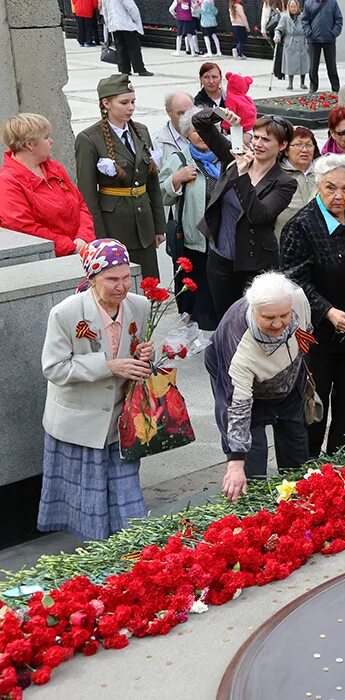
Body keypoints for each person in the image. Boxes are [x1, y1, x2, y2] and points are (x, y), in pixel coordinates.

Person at [38, 239, 152, 540]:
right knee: (88, 509)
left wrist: (145, 355)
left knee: (128, 507)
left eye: (126, 277)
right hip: (80, 423)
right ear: (92, 279)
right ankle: (101, 559)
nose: (122, 286)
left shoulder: (140, 306)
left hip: (121, 421)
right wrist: (108, 366)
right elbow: (54, 368)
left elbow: (135, 353)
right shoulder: (65, 313)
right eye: (112, 279)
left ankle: (135, 554)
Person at [279, 155, 345, 456]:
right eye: (331, 188)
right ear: (318, 186)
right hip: (316, 332)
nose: (339, 196)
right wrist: (328, 311)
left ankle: (344, 459)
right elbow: (294, 281)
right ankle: (307, 463)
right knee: (314, 402)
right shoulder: (301, 226)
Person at [206, 272, 313, 501]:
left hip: (288, 383)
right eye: (269, 317)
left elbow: (306, 335)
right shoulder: (238, 344)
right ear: (253, 310)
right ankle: (254, 505)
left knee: (296, 451)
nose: (278, 323)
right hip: (248, 394)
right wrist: (236, 462)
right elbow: (236, 406)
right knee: (252, 461)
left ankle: (297, 503)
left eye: (284, 315)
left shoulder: (298, 299)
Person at [193, 108, 296, 319]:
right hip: (220, 258)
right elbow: (199, 123)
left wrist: (242, 175)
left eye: (266, 139)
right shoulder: (234, 156)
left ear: (282, 145)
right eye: (256, 137)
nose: (258, 144)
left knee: (254, 321)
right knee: (225, 320)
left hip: (255, 263)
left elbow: (258, 216)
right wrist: (220, 114)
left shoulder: (285, 182)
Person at [75, 75, 164, 280]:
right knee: (119, 282)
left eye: (133, 101)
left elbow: (152, 182)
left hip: (144, 224)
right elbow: (87, 194)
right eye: (124, 103)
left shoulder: (141, 131)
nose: (130, 107)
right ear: (106, 103)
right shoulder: (89, 139)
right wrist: (99, 238)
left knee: (149, 283)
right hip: (114, 225)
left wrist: (158, 226)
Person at [0, 113, 95, 257]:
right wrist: (70, 246)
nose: (51, 141)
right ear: (30, 145)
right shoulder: (8, 182)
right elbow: (23, 228)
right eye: (46, 137)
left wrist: (83, 238)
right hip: (49, 260)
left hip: (81, 250)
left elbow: (81, 205)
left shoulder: (55, 168)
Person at [158, 107, 218, 330]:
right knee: (195, 294)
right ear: (186, 134)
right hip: (194, 241)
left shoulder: (226, 156)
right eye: (195, 130)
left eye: (206, 129)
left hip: (223, 240)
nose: (201, 135)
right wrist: (176, 179)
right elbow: (160, 195)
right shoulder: (180, 159)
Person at [275, 126, 320, 237]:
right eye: (298, 145)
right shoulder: (275, 173)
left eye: (309, 145)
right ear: (286, 150)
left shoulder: (323, 172)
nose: (304, 150)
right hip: (284, 238)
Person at [302, 0, 343, 93]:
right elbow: (304, 20)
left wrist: (334, 33)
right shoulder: (308, 3)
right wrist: (309, 33)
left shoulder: (332, 3)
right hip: (313, 40)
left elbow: (338, 19)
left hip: (329, 40)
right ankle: (313, 88)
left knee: (331, 66)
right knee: (313, 66)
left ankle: (336, 88)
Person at [105, 0, 152, 76]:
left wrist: (108, 24)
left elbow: (105, 10)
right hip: (126, 24)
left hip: (114, 25)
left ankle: (124, 70)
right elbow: (131, 7)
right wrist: (137, 21)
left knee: (120, 48)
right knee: (134, 48)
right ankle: (140, 69)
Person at [276, 0, 310, 91]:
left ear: (298, 7)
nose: (293, 8)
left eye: (295, 6)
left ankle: (302, 82)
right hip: (290, 42)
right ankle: (290, 83)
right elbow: (279, 29)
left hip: (301, 41)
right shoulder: (285, 18)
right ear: (289, 7)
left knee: (303, 62)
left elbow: (307, 27)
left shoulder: (303, 17)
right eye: (291, 6)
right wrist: (277, 36)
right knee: (290, 63)